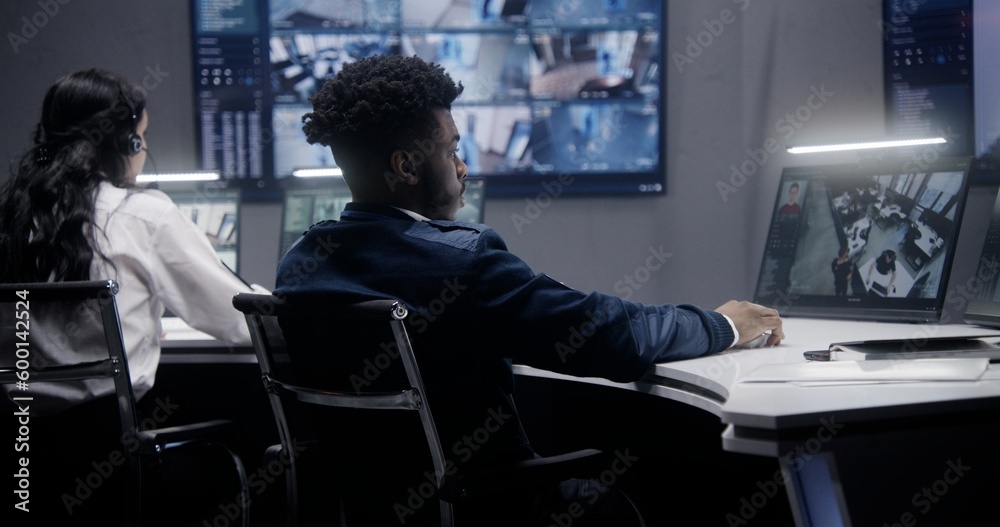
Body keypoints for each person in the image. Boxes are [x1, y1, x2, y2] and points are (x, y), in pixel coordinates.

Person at [275, 54, 784, 526]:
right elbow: (607, 336)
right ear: (406, 166)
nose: (463, 167)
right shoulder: (458, 261)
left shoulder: (299, 265)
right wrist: (722, 325)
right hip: (491, 506)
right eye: (451, 150)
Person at [0, 68, 263, 524]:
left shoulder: (11, 216)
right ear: (128, 143)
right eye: (142, 137)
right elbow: (238, 319)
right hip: (114, 463)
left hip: (23, 463)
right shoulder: (141, 213)